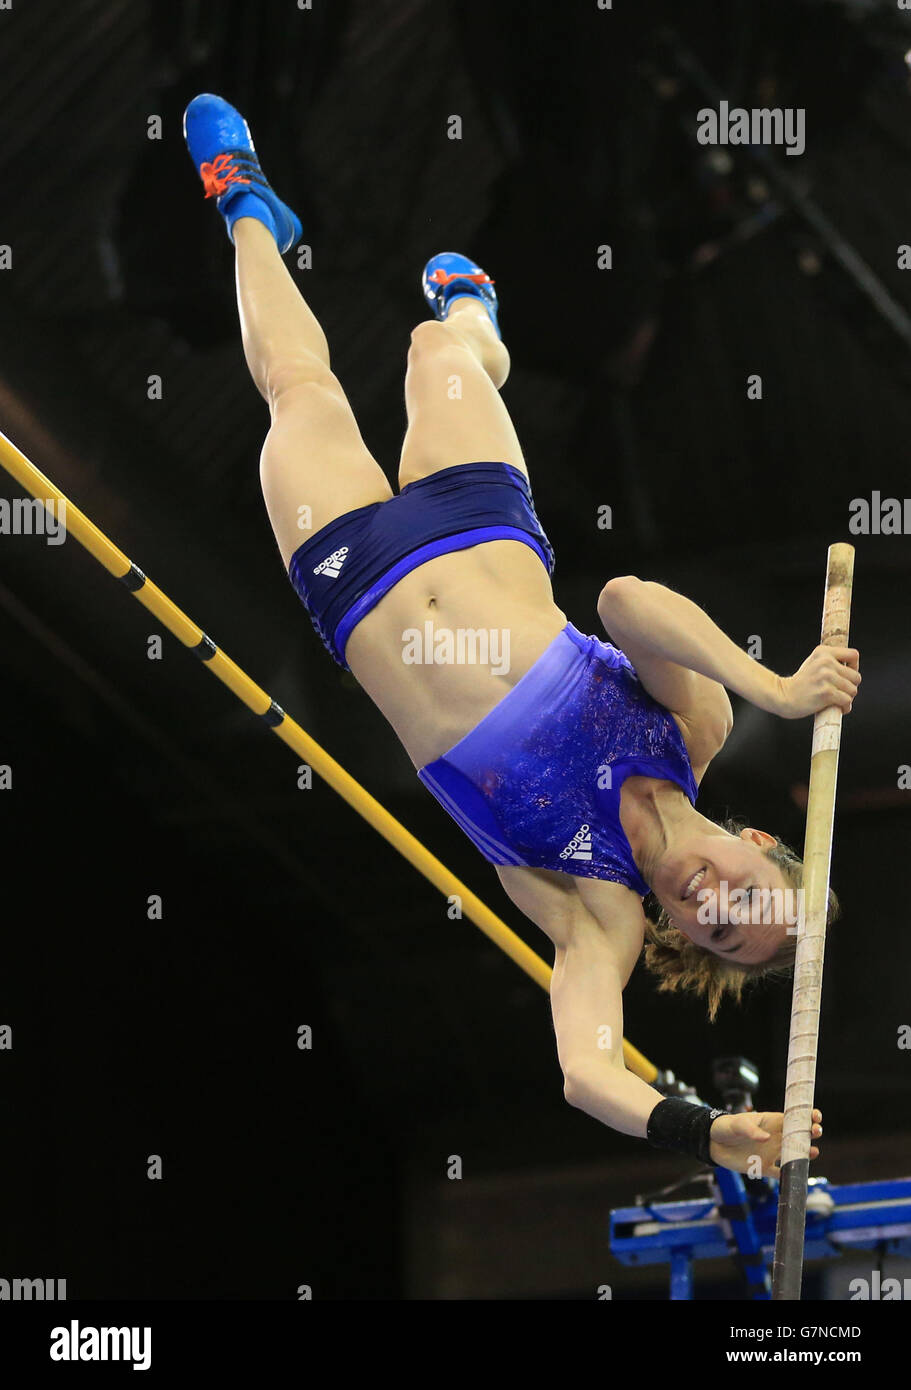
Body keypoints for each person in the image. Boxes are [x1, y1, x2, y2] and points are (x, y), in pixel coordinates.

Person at [183, 94, 859, 1172]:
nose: (715, 903)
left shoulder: (596, 913)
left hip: (355, 583)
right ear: (757, 844)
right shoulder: (695, 723)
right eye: (748, 892)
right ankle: (473, 332)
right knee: (427, 352)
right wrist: (775, 688)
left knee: (297, 387)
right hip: (476, 520)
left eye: (723, 932)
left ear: (689, 943)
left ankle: (242, 204)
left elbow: (585, 1073)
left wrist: (710, 1131)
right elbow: (626, 601)